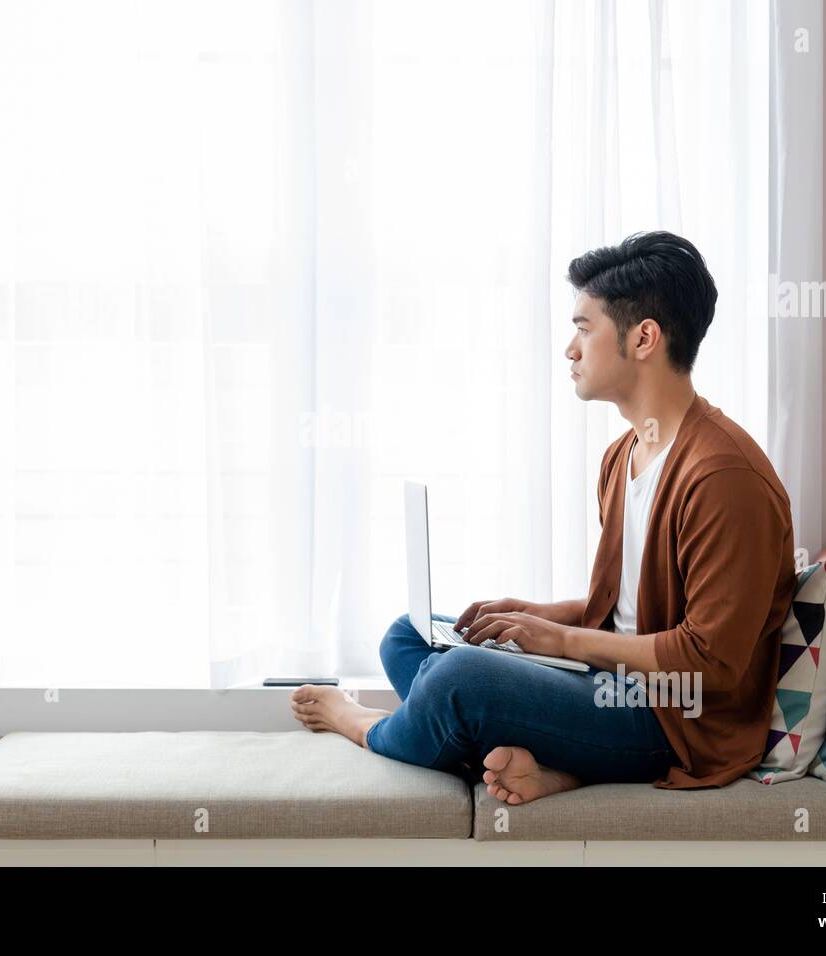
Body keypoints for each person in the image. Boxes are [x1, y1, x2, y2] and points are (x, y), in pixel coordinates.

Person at [290, 231, 797, 803]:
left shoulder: (724, 477)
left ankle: (367, 727)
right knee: (411, 635)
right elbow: (627, 614)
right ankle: (558, 765)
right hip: (613, 683)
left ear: (645, 337)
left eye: (584, 328)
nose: (570, 349)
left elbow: (710, 663)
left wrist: (558, 641)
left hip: (673, 719)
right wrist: (532, 618)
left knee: (462, 680)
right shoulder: (623, 456)